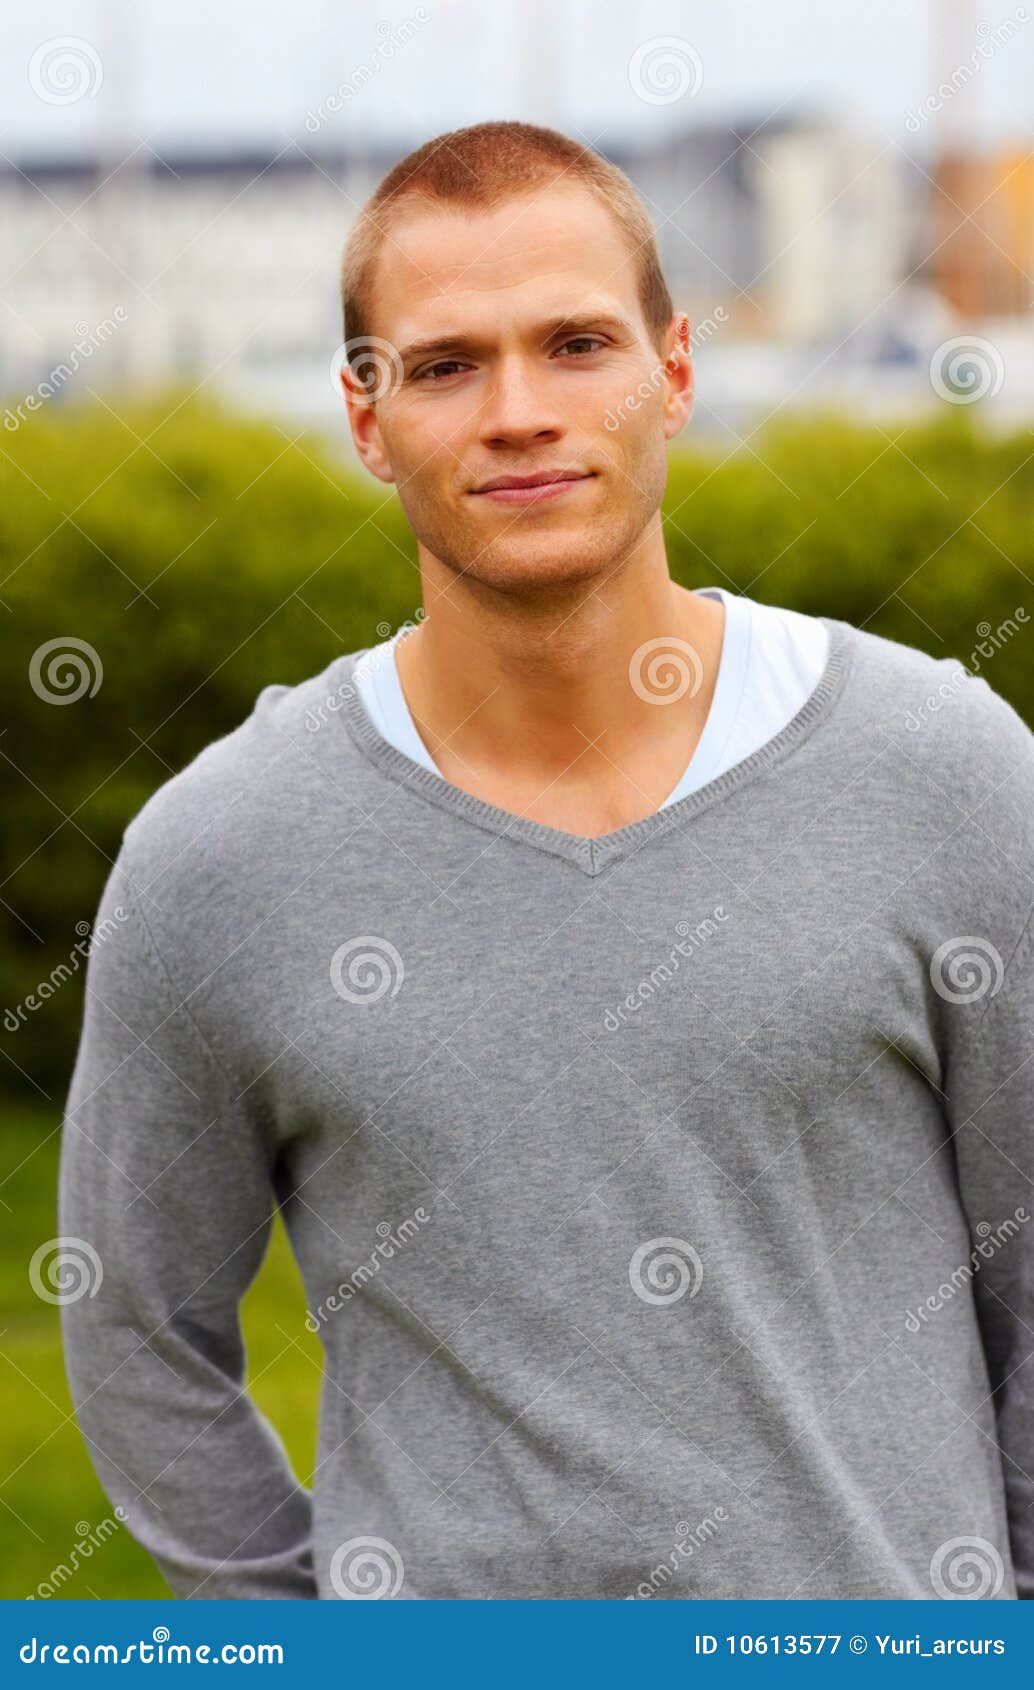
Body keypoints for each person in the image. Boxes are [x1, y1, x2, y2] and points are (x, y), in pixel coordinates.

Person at [59, 120, 1034, 1602]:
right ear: (365, 416)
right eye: (446, 364)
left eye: (576, 343)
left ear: (676, 372)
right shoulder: (222, 855)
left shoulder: (944, 774)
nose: (519, 412)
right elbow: (135, 1319)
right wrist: (302, 1639)